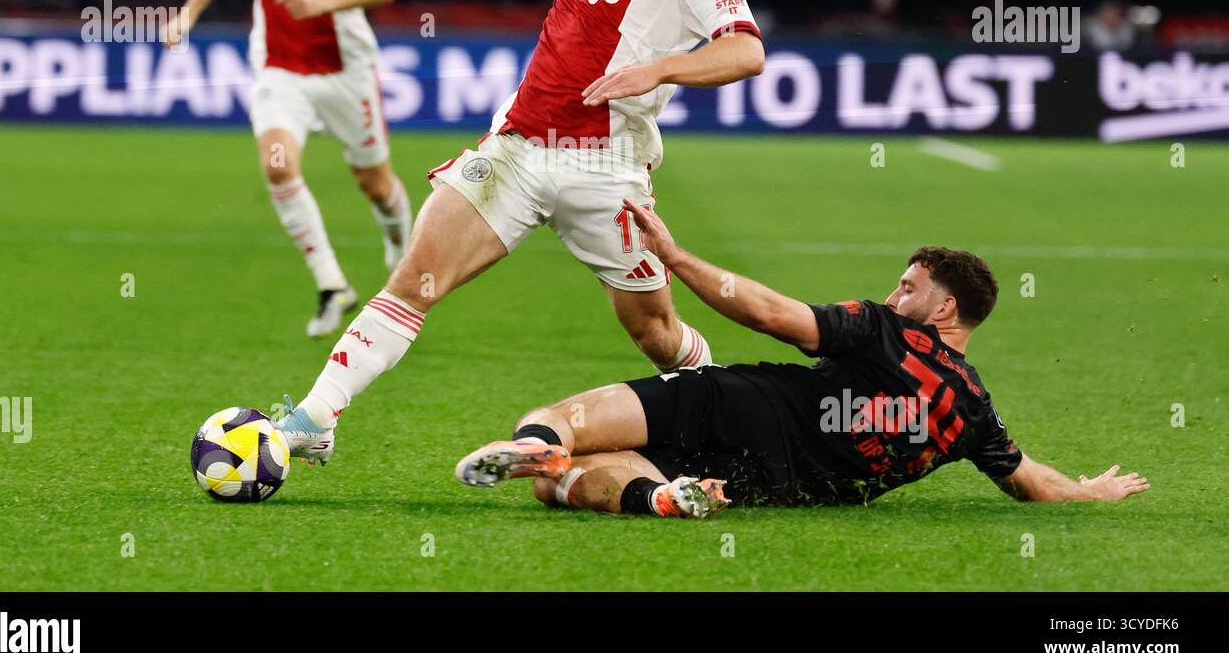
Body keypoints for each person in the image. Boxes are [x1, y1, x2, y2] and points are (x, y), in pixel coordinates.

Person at [276, 0, 765, 464]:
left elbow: (746, 52)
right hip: (517, 148)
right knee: (416, 278)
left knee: (653, 331)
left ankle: (722, 414)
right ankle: (316, 415)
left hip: (605, 171)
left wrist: (659, 67)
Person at [454, 201, 1150, 516]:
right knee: (567, 487)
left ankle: (536, 445)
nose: (891, 292)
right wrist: (1092, 490)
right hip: (769, 483)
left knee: (560, 421)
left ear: (943, 310)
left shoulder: (882, 330)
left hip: (740, 402)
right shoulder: (971, 411)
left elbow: (767, 312)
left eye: (907, 286)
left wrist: (676, 258)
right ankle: (658, 498)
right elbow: (1033, 482)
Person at [163, 0, 411, 338]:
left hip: (345, 68)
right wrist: (189, 12)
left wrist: (323, 2)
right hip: (279, 68)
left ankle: (398, 243)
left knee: (374, 182)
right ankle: (332, 285)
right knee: (278, 165)